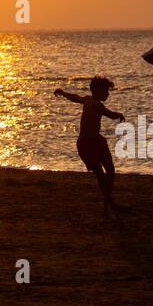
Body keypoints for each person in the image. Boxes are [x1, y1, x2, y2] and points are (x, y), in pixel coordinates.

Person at [54, 76, 125, 219]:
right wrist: (120, 115)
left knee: (106, 173)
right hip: (87, 145)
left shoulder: (87, 100)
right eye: (105, 91)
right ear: (96, 90)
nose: (107, 94)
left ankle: (109, 205)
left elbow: (75, 97)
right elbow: (110, 115)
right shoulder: (96, 104)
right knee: (105, 172)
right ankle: (108, 206)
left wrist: (63, 93)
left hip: (95, 142)